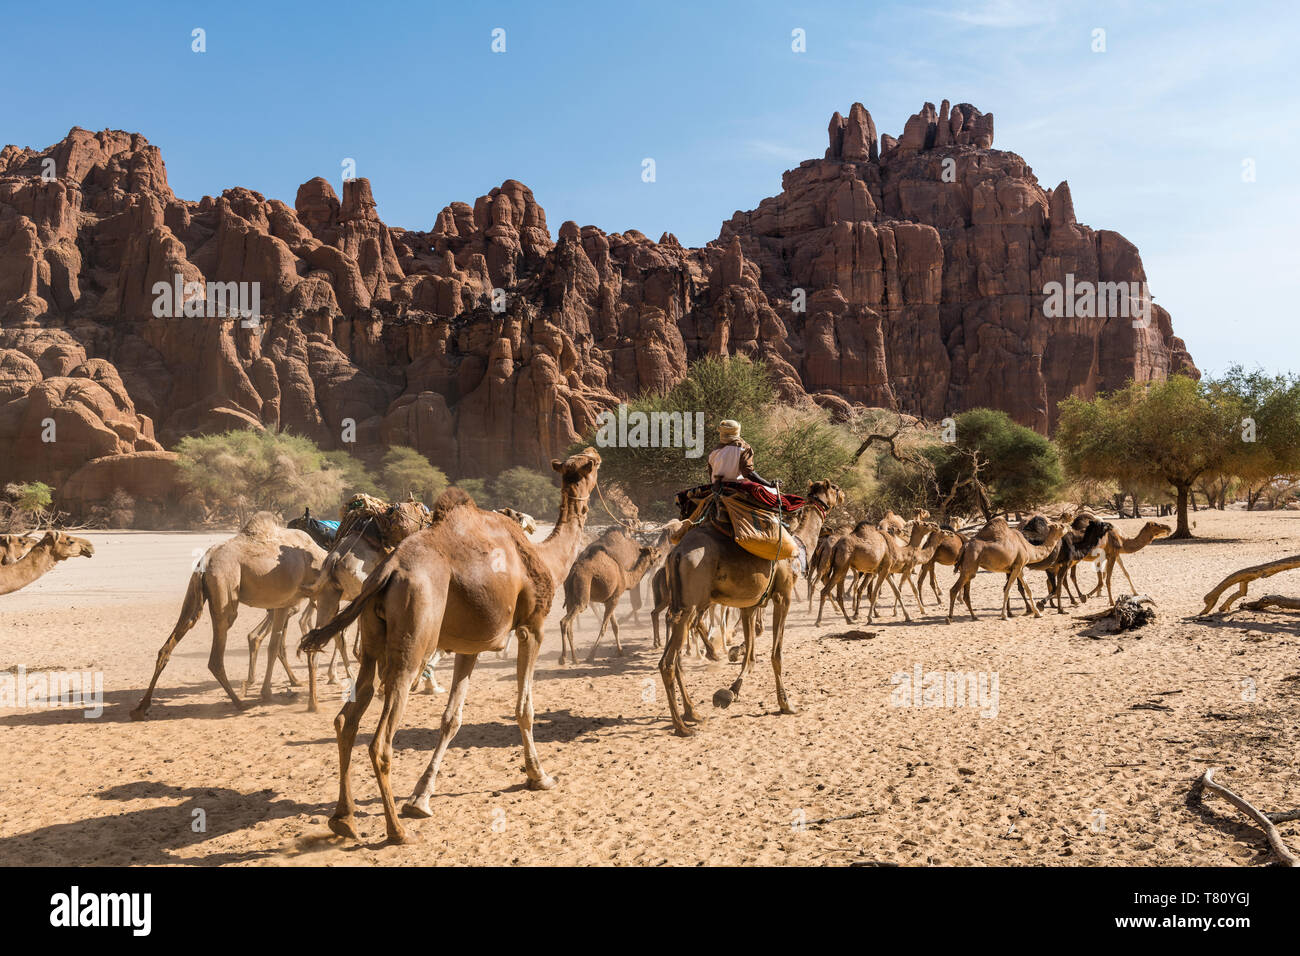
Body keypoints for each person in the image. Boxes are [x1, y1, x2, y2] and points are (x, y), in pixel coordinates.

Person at [708, 420, 773, 493]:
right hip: (737, 487)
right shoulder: (743, 447)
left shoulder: (713, 452)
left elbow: (711, 476)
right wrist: (769, 485)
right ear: (737, 432)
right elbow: (748, 473)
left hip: (716, 489)